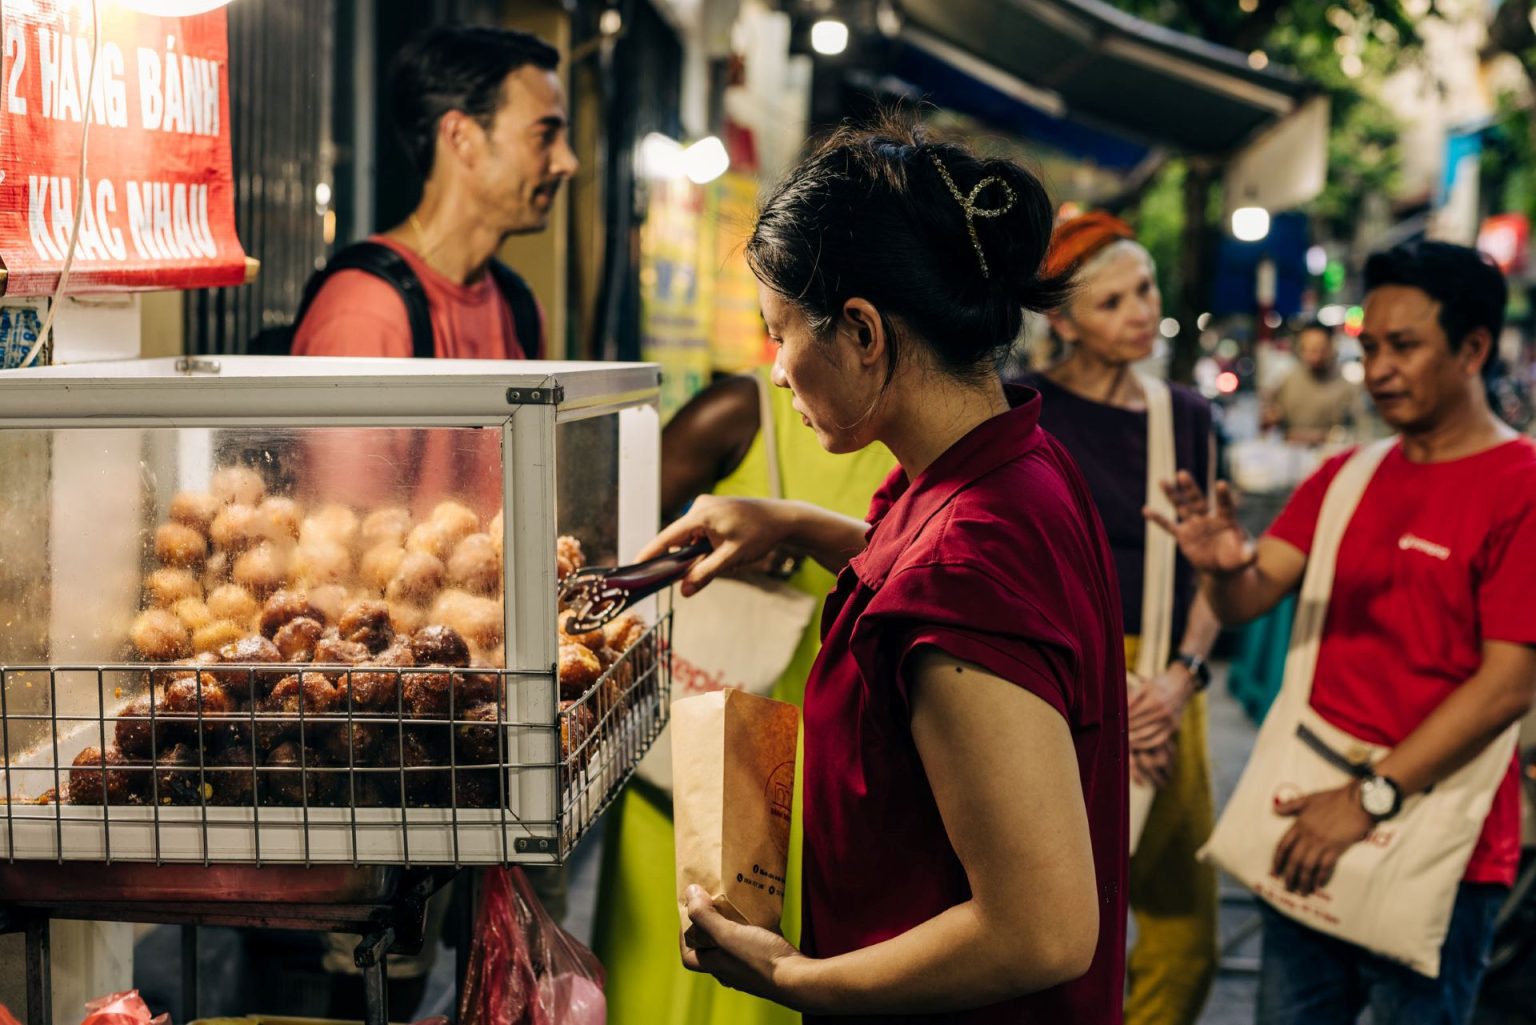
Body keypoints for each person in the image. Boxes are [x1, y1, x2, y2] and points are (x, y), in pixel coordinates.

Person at [641, 114, 1129, 1023]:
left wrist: (788, 977)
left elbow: (1043, 931)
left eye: (780, 333)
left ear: (863, 331)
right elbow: (918, 570)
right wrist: (788, 521)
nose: (777, 372)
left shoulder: (961, 575)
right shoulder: (1012, 465)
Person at [1148, 241, 1536, 1025]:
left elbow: (1509, 684)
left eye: (1405, 346)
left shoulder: (1520, 486)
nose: (1380, 368)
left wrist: (1370, 796)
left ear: (1473, 349)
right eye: (1371, 348)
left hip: (1439, 837)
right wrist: (1222, 568)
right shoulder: (1348, 475)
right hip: (1306, 809)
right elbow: (1253, 594)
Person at [591, 368, 895, 1025]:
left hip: (826, 761)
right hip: (693, 754)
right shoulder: (741, 409)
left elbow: (919, 563)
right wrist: (715, 554)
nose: (780, 365)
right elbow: (607, 546)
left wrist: (795, 530)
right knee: (658, 972)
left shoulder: (914, 443)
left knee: (777, 976)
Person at [1021, 211, 1222, 1025]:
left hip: (1167, 680)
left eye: (1143, 289)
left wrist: (1180, 682)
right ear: (1063, 322)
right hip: (1061, 678)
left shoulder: (1186, 415)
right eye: (1111, 303)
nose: (1141, 311)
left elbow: (1213, 562)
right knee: (1062, 910)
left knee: (1186, 926)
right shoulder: (1026, 409)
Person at [293, 23, 577, 360]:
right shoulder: (367, 311)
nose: (568, 162)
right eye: (544, 136)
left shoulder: (519, 307)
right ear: (460, 137)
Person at [1263, 321, 1366, 444]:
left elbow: (1356, 429)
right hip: (1291, 453)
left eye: (1320, 349)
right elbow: (1272, 415)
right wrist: (1271, 416)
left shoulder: (1345, 386)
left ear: (1331, 347)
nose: (1315, 357)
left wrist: (1322, 437)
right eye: (1309, 349)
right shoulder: (1288, 380)